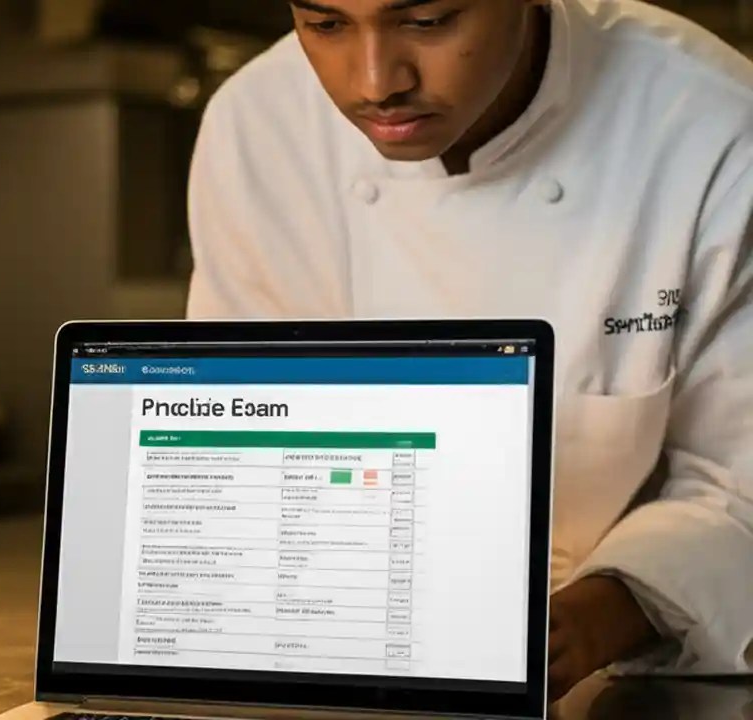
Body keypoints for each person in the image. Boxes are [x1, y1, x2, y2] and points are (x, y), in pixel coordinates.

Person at [184, 0, 753, 701]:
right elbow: (240, 451)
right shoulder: (256, 127)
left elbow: (740, 479)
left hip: (620, 670)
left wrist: (592, 622)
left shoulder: (711, 122)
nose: (374, 81)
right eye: (326, 25)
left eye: (426, 21)